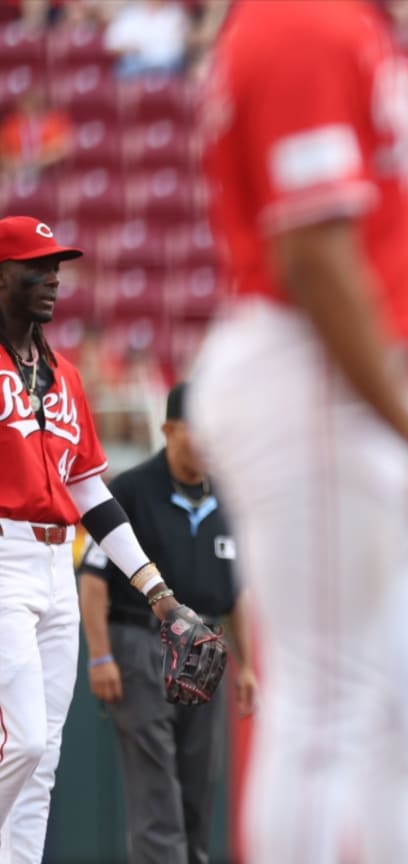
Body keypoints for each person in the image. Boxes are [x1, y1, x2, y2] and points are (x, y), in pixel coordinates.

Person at [190, 2, 408, 862]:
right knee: (325, 703)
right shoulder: (300, 22)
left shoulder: (335, 20)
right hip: (311, 366)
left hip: (349, 370)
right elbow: (312, 256)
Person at [0, 215, 222, 863]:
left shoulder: (65, 376)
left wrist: (160, 597)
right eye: (35, 266)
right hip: (4, 557)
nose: (52, 279)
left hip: (53, 564)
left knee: (47, 761)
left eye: (57, 267)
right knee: (24, 744)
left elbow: (92, 494)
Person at [78, 382, 256, 864]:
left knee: (201, 781)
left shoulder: (229, 499)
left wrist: (246, 666)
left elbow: (236, 592)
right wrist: (99, 655)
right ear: (168, 429)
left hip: (206, 648)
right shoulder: (130, 490)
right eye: (194, 430)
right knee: (155, 781)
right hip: (138, 642)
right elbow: (93, 580)